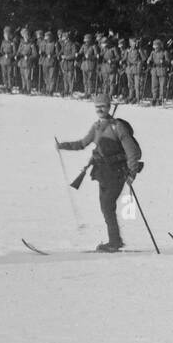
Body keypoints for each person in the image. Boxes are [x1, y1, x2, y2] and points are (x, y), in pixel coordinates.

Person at [56, 96, 142, 252]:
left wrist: (132, 173)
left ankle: (114, 242)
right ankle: (115, 241)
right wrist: (63, 145)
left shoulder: (118, 127)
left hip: (117, 172)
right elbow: (82, 143)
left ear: (109, 107)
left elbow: (132, 152)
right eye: (97, 107)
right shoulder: (96, 127)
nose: (100, 109)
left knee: (107, 206)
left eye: (103, 106)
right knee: (105, 207)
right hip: (102, 172)